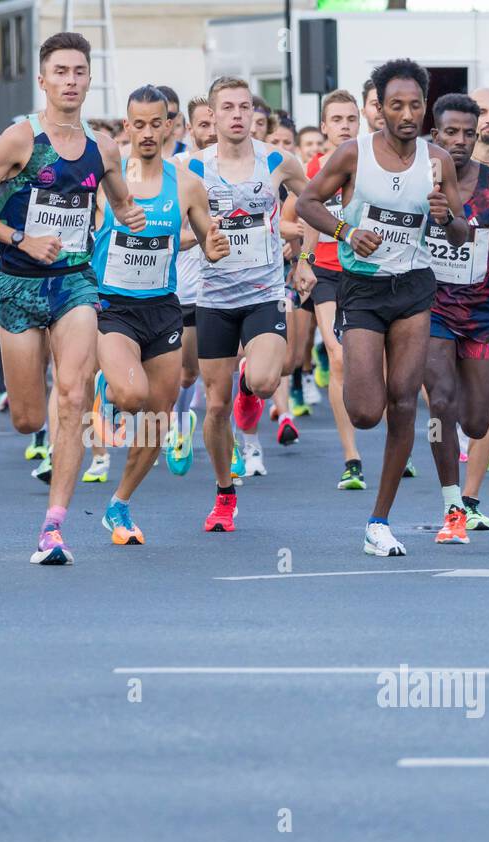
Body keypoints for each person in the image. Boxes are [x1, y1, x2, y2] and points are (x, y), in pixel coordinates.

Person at [0, 32, 146, 566]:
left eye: (79, 71)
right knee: (27, 416)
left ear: (89, 78)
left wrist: (128, 214)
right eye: (60, 71)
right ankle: (37, 434)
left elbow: (120, 200)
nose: (70, 80)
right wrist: (20, 239)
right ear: (43, 80)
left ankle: (53, 528)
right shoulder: (19, 139)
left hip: (74, 283)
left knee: (71, 396)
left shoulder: (103, 146)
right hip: (17, 286)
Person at [297, 58, 468, 557]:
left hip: (414, 286)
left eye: (416, 104)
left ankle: (379, 520)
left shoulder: (438, 161)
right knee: (367, 411)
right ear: (380, 109)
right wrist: (346, 231)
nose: (407, 113)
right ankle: (349, 375)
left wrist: (447, 217)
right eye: (397, 104)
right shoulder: (354, 155)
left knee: (404, 403)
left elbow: (458, 234)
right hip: (363, 289)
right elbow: (308, 202)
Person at [92, 85, 227, 543]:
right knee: (131, 396)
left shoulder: (186, 182)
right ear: (126, 126)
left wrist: (216, 245)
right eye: (138, 124)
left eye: (157, 123)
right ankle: (107, 387)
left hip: (163, 308)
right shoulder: (109, 181)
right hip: (113, 306)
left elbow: (208, 240)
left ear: (170, 125)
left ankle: (120, 504)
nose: (147, 133)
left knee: (157, 416)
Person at [187, 76, 308, 532]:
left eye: (244, 107)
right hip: (214, 298)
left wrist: (307, 259)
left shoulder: (276, 160)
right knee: (215, 408)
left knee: (261, 381)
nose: (237, 115)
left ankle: (248, 384)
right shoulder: (193, 170)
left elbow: (314, 200)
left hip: (263, 294)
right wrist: (201, 237)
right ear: (212, 117)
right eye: (228, 108)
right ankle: (224, 493)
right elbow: (173, 231)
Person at [422, 94, 489, 545]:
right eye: (451, 132)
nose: (461, 141)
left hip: (483, 310)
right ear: (436, 135)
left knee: (478, 421)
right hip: (431, 310)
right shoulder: (416, 182)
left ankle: (463, 474)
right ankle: (453, 505)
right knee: (441, 401)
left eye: (468, 132)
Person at [294, 88, 365, 491]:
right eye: (336, 120)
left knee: (382, 364)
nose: (343, 126)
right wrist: (303, 260)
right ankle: (351, 458)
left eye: (350, 119)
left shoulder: (373, 164)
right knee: (337, 357)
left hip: (367, 273)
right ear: (324, 127)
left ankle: (398, 446)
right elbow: (303, 214)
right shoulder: (314, 167)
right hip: (326, 270)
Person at [164, 93, 218, 477]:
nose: (212, 131)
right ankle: (180, 424)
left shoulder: (251, 168)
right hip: (186, 288)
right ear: (189, 129)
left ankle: (230, 444)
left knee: (227, 373)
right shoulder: (178, 170)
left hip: (232, 287)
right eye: (204, 124)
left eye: (216, 123)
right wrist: (203, 237)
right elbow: (167, 232)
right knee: (186, 373)